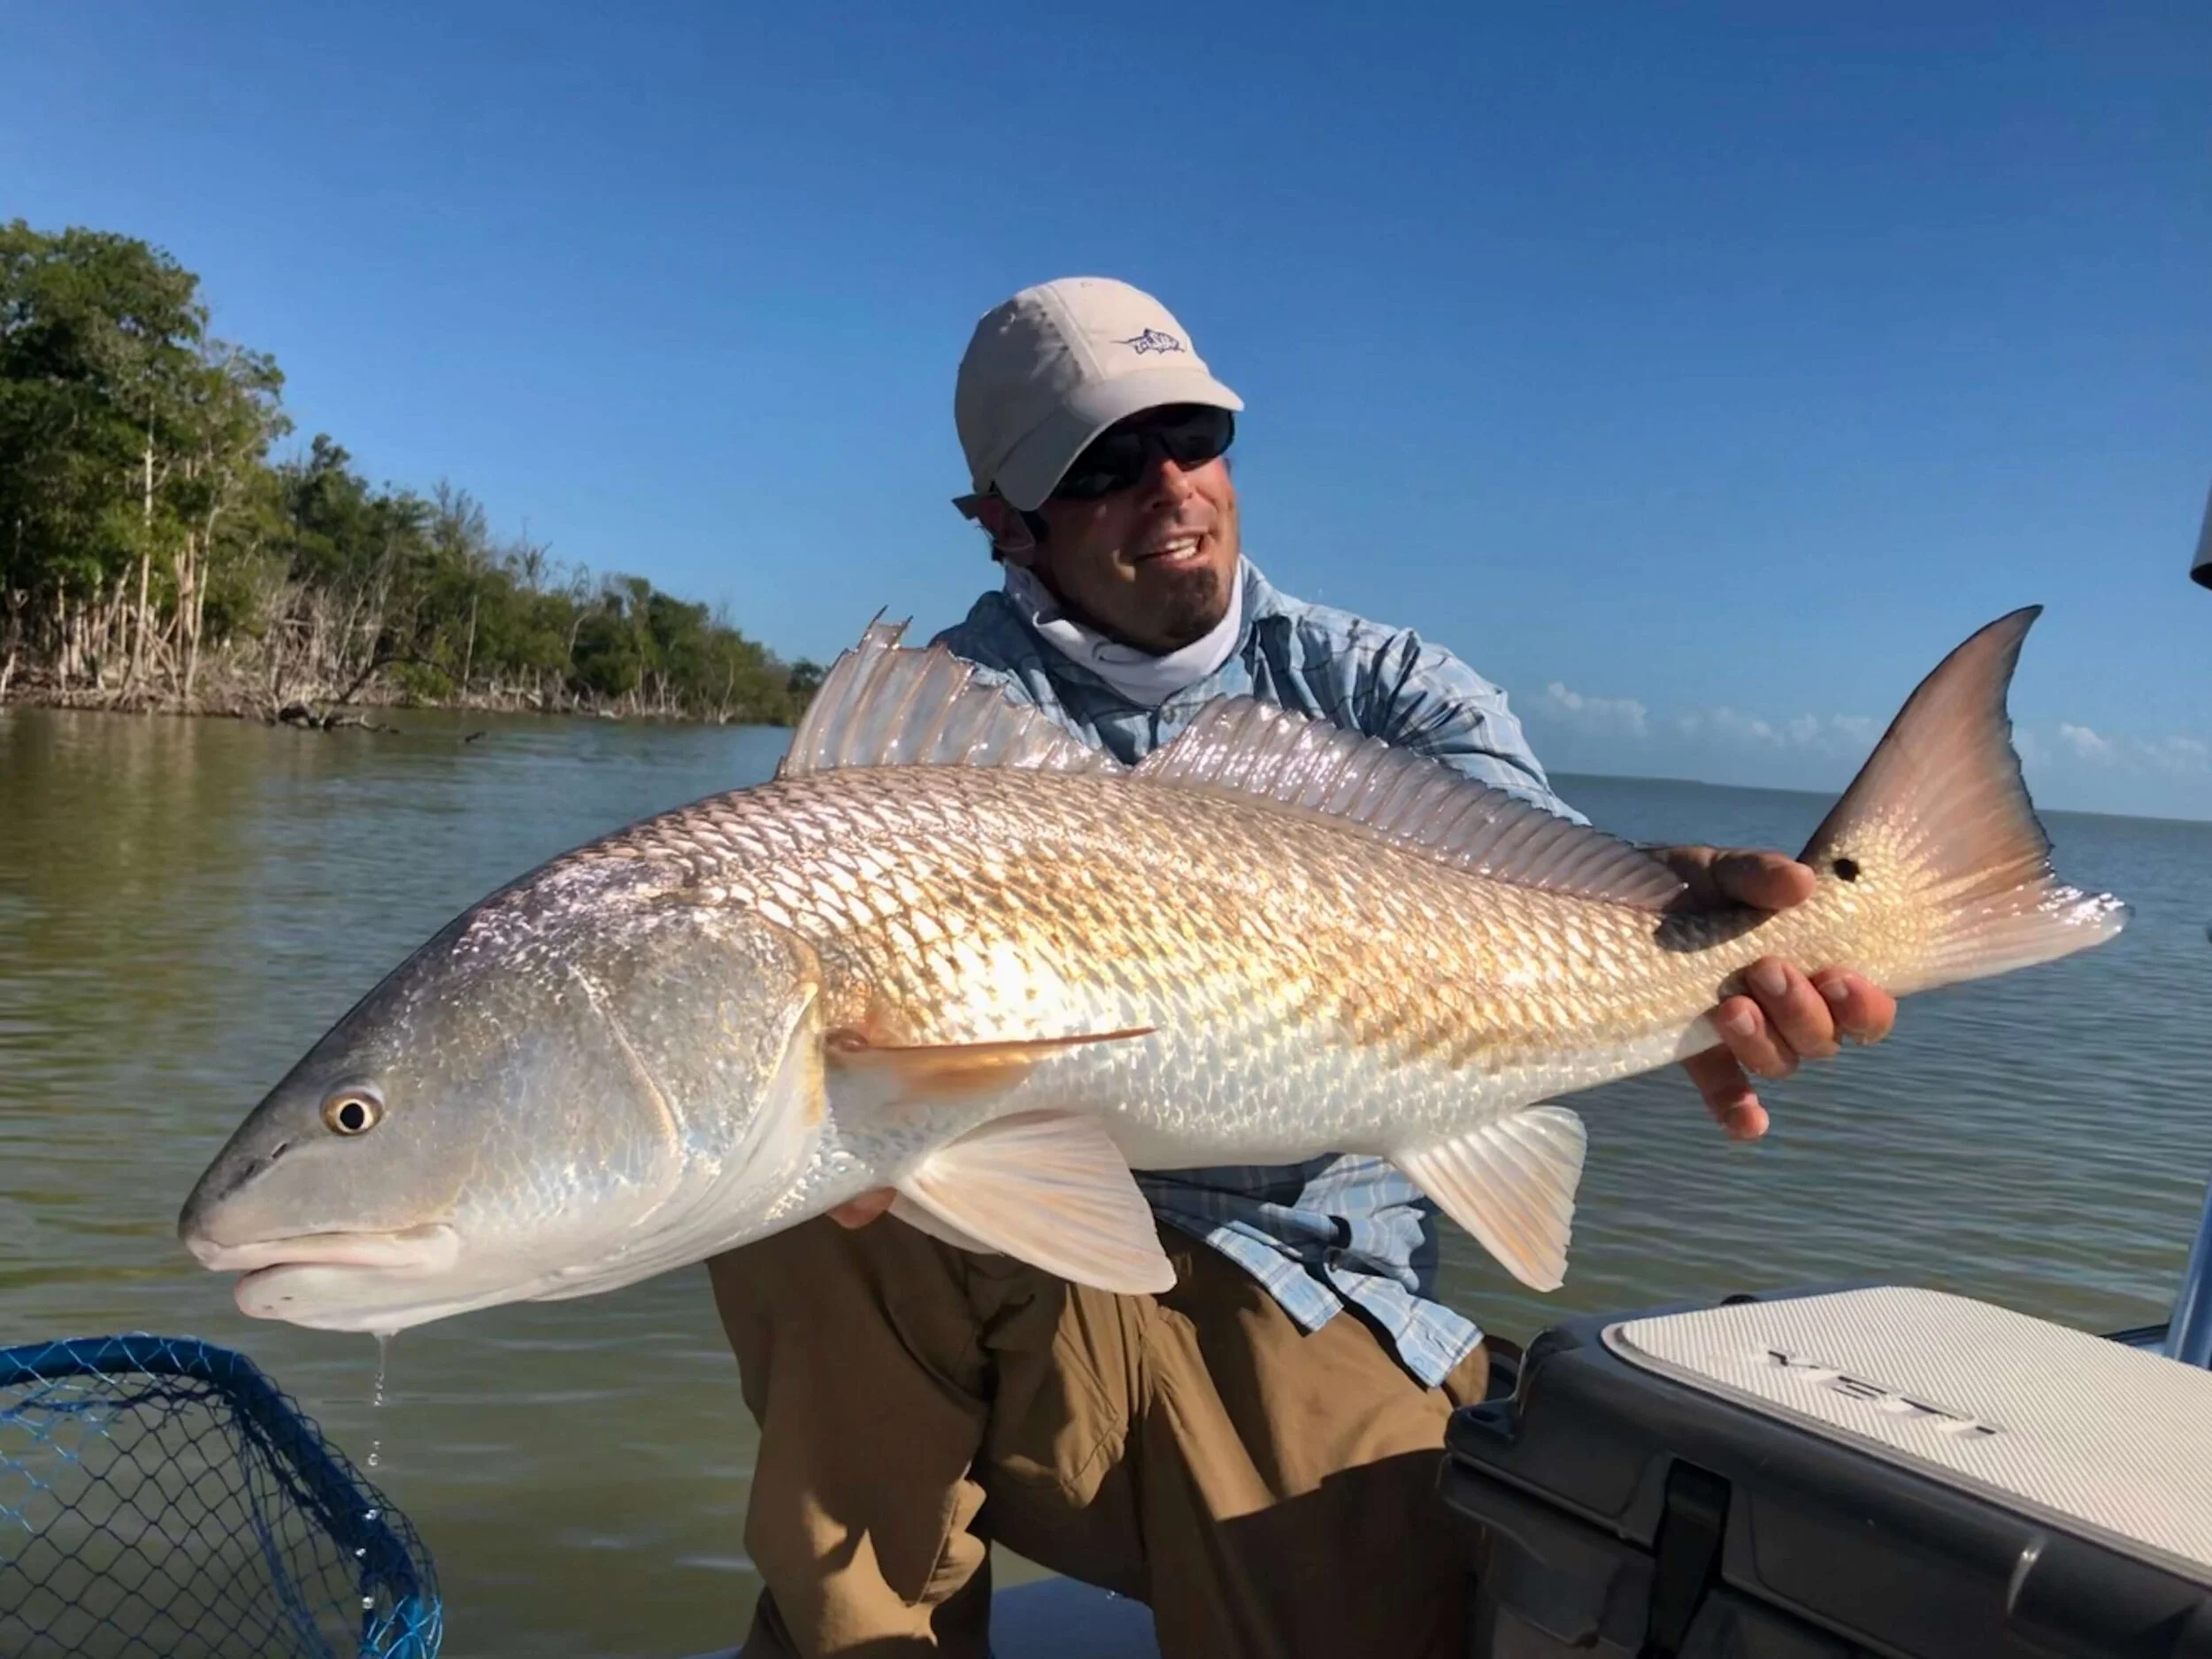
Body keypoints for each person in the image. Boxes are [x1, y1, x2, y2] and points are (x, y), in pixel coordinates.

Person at [705, 276, 1897, 1659]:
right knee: (805, 1145)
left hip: (1306, 1284)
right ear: (1000, 522)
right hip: (1011, 1309)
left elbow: (1539, 877)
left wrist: (1704, 915)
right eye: (1101, 464)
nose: (1170, 488)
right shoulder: (918, 736)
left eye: (1194, 433)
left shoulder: (1390, 689)